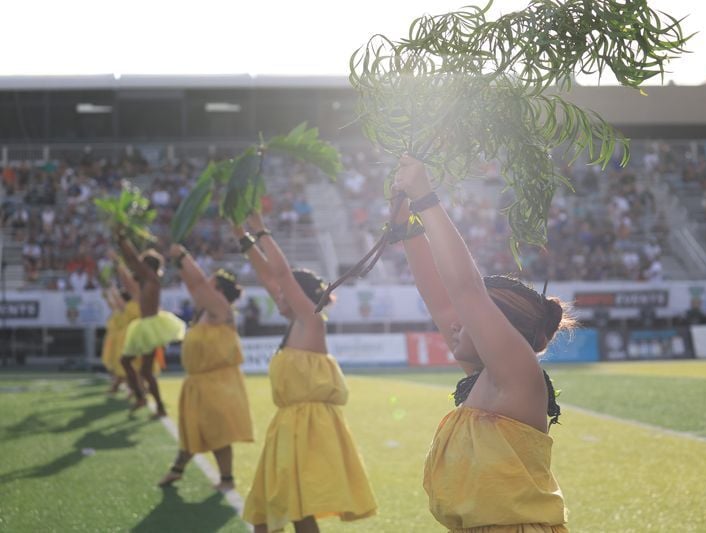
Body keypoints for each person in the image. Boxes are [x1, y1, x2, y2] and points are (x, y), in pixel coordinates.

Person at [392, 155, 570, 532]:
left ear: (498, 327)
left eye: (470, 318)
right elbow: (441, 300)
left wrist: (425, 196)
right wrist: (405, 220)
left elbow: (466, 290)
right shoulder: (486, 377)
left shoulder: (518, 374)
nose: (454, 323)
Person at [234, 213, 377, 533]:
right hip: (289, 427)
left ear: (302, 297)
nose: (277, 296)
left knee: (297, 514)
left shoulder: (311, 322)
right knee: (268, 514)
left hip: (310, 428)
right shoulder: (296, 326)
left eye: (286, 293)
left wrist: (260, 229)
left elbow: (282, 275)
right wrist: (241, 237)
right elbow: (272, 277)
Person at [158, 244, 254, 491]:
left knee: (216, 431)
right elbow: (195, 285)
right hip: (200, 381)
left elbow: (198, 283)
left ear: (219, 291)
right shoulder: (205, 311)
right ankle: (178, 469)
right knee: (194, 427)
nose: (204, 288)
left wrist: (182, 254)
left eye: (211, 284)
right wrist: (179, 262)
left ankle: (227, 480)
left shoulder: (220, 310)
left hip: (218, 382)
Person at [116, 229, 185, 417]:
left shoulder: (151, 279)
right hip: (147, 326)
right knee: (142, 369)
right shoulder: (148, 281)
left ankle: (146, 399)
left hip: (150, 327)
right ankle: (149, 401)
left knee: (133, 365)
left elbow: (133, 261)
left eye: (143, 265)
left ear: (148, 267)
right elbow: (132, 263)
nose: (138, 269)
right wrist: (122, 243)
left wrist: (122, 239)